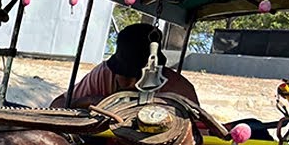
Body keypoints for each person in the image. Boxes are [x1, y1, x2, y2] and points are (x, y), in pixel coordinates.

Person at [50, 23, 200, 108]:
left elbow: (201, 133)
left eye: (139, 75)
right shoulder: (103, 74)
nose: (131, 83)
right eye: (125, 74)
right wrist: (85, 101)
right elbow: (55, 106)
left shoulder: (178, 90)